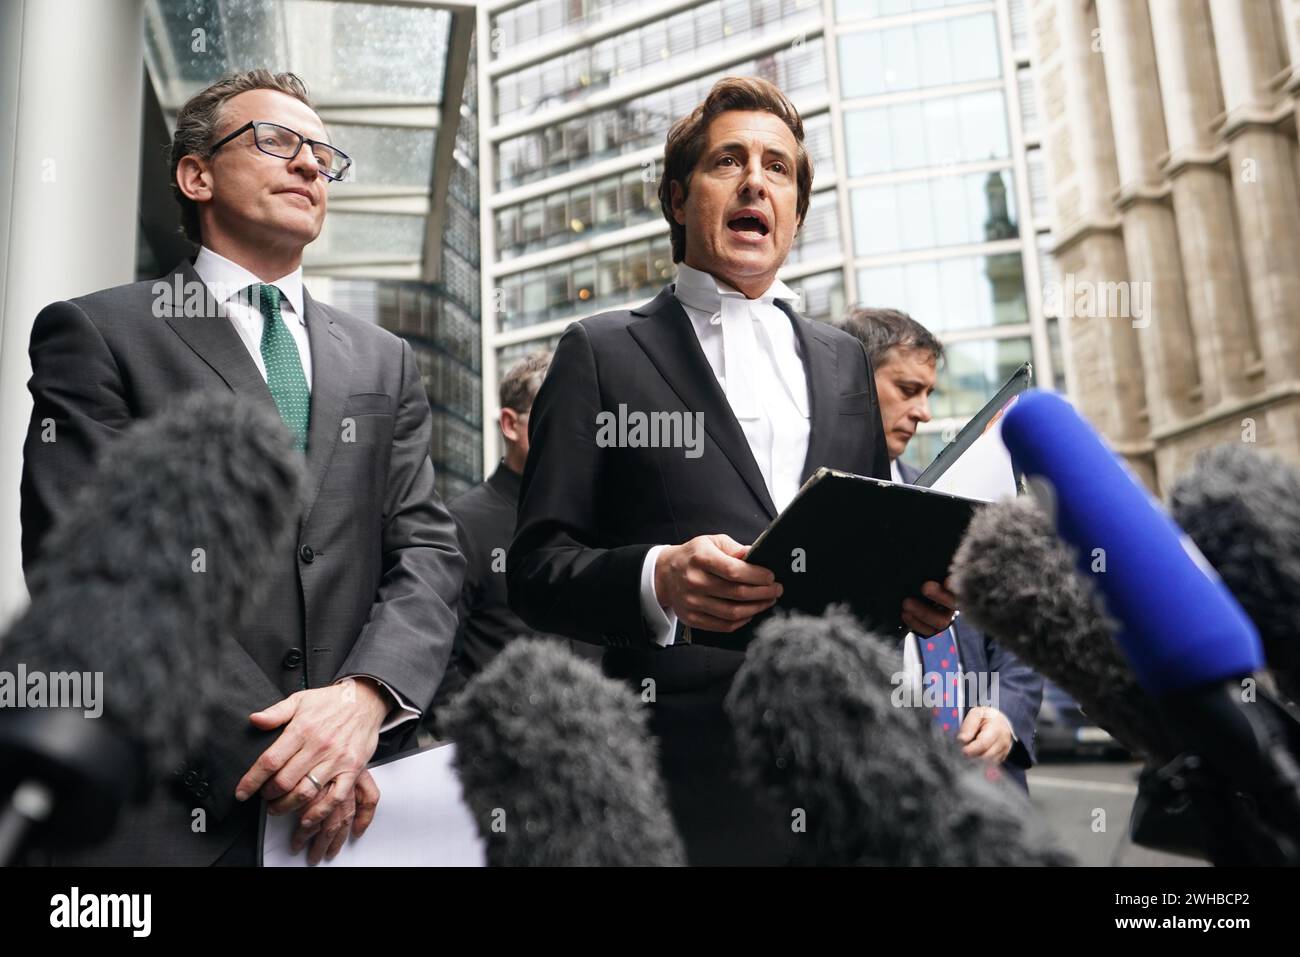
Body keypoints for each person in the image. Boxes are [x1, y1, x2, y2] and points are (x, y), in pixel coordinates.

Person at [507, 76, 959, 864]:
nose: (757, 180)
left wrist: (916, 593)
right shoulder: (599, 350)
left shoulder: (844, 358)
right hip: (681, 777)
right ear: (680, 198)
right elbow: (538, 568)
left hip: (848, 773)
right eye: (729, 161)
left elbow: (865, 549)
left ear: (794, 212)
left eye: (778, 168)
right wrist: (659, 579)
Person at [20, 69, 464, 865]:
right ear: (195, 175)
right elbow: (93, 569)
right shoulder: (99, 333)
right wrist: (289, 757)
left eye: (323, 154)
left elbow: (427, 555)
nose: (308, 165)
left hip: (357, 814)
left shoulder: (384, 360)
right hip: (172, 810)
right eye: (277, 141)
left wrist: (365, 701)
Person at [837, 306, 1044, 790]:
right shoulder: (809, 508)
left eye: (929, 393)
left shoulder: (952, 498)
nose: (924, 411)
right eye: (907, 389)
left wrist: (1005, 715)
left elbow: (1016, 633)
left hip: (985, 795)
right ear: (849, 382)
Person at [426, 351, 599, 735]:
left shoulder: (601, 518)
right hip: (504, 770)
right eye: (553, 415)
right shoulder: (460, 525)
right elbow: (436, 670)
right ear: (509, 423)